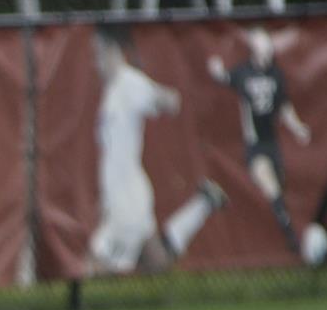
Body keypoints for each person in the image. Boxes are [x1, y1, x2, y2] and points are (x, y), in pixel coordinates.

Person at [88, 24, 226, 276]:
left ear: (112, 51)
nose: (94, 63)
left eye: (97, 54)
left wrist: (162, 97)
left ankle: (204, 204)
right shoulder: (113, 90)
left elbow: (168, 101)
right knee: (156, 262)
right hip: (125, 195)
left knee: (97, 268)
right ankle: (204, 203)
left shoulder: (130, 83)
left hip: (127, 201)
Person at [207, 26, 326, 265]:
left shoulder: (276, 75)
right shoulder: (243, 73)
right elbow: (225, 77)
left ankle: (291, 234)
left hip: (272, 144)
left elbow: (283, 106)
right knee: (270, 186)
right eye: (261, 45)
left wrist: (297, 127)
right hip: (255, 145)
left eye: (267, 46)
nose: (265, 50)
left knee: (278, 192)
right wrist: (216, 70)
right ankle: (291, 237)